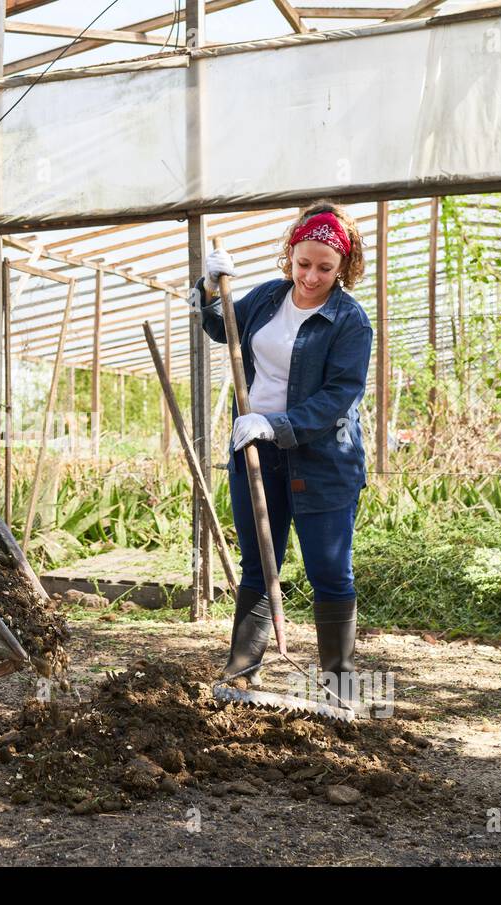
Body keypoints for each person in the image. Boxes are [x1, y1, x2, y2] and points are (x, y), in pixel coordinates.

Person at [195, 201, 372, 705]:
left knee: (328, 569)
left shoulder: (349, 321)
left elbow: (340, 395)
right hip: (257, 453)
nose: (311, 276)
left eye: (324, 267)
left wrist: (277, 424)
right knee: (258, 563)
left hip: (323, 460)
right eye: (303, 263)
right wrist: (209, 287)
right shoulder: (268, 298)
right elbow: (216, 324)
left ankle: (339, 685)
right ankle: (242, 671)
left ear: (344, 267)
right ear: (290, 255)